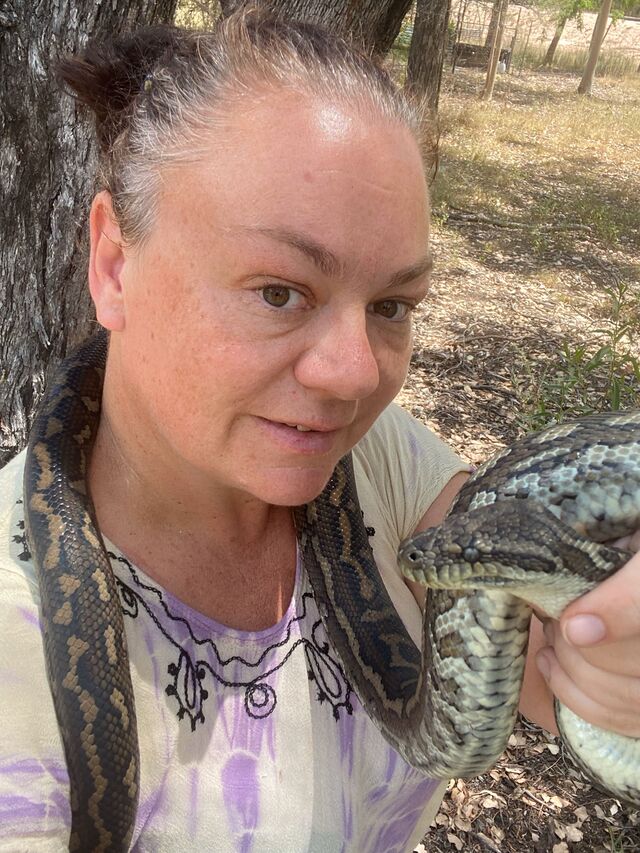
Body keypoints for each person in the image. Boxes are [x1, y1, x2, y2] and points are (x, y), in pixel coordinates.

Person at [1, 10, 639, 852]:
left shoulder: (375, 460)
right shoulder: (15, 651)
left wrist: (608, 657)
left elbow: (539, 649)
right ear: (115, 265)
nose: (356, 375)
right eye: (278, 291)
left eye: (390, 306)